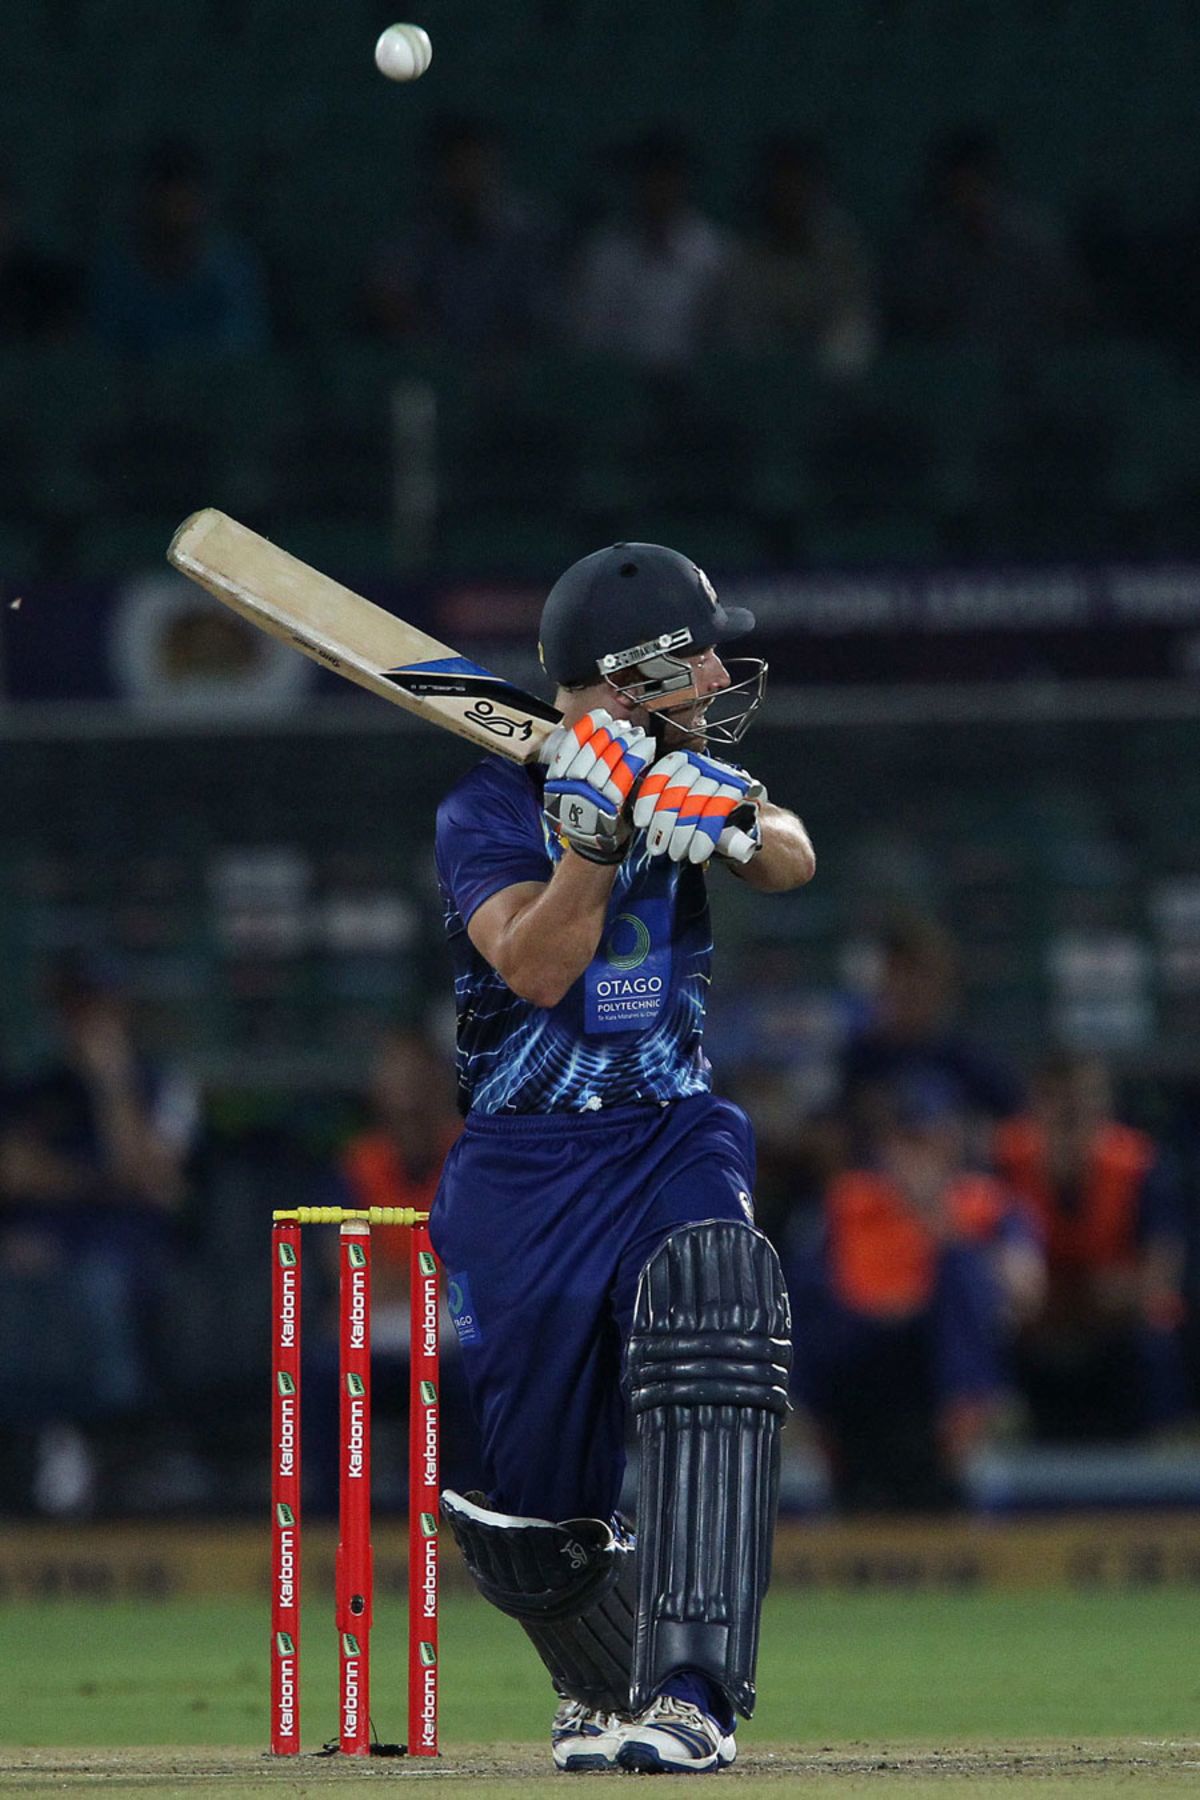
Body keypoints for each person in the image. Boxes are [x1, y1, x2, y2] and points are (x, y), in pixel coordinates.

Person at [430, 543, 814, 1772]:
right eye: (696, 653)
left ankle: (696, 1693)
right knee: (519, 1523)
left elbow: (796, 859)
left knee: (716, 1290)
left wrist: (729, 814)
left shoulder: (692, 764)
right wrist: (592, 842)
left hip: (665, 1129)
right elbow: (536, 970)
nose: (717, 671)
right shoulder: (485, 807)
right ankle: (605, 1686)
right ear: (637, 672)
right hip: (522, 1168)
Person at [0, 956, 200, 1513]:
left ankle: (112, 1440)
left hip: (127, 1255)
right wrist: (101, 1183)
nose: (82, 1022)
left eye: (95, 1009)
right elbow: (12, 1170)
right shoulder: (38, 1084)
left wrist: (112, 1083)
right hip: (38, 1250)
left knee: (97, 1284)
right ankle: (47, 1438)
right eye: (73, 1009)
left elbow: (148, 1175)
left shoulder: (163, 1084)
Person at [791, 1077, 1044, 1512]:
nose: (918, 1154)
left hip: (939, 1357)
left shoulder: (982, 1203)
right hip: (861, 1351)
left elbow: (1026, 1291)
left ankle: (970, 1427)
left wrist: (940, 1225)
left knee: (960, 1268)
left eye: (928, 1139)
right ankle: (803, 1437)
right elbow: (818, 1291)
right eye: (907, 1140)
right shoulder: (851, 1200)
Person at [994, 1051, 1191, 1440]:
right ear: (1035, 1105)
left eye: (1085, 1099)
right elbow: (991, 1271)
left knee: (1159, 1335)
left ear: (1105, 1105)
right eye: (1057, 1100)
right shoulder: (1002, 1160)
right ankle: (991, 1443)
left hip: (1117, 1323)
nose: (1072, 1113)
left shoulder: (1141, 1165)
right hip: (1031, 1323)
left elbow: (1158, 1278)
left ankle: (1164, 1452)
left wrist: (1075, 1296)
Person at [361, 115, 556, 355]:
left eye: (478, 167)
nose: (469, 180)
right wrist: (440, 354)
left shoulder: (526, 232)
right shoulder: (421, 229)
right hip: (436, 362)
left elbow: (541, 313)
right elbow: (389, 295)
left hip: (508, 365)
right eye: (459, 168)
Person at [89, 136, 270, 359]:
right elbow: (103, 353)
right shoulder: (114, 273)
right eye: (162, 201)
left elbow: (240, 356)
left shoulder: (231, 272)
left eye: (182, 203)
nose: (172, 213)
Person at [714, 134, 877, 377]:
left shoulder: (841, 246)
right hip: (763, 385)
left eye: (801, 183)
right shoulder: (745, 255)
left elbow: (852, 319)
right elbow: (742, 334)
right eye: (783, 183)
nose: (792, 193)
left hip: (831, 385)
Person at [569, 130, 730, 373]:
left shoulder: (712, 250)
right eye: (649, 176)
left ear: (682, 181)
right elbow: (591, 339)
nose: (658, 186)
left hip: (692, 388)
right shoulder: (606, 251)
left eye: (667, 176)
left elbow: (721, 340)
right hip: (619, 389)